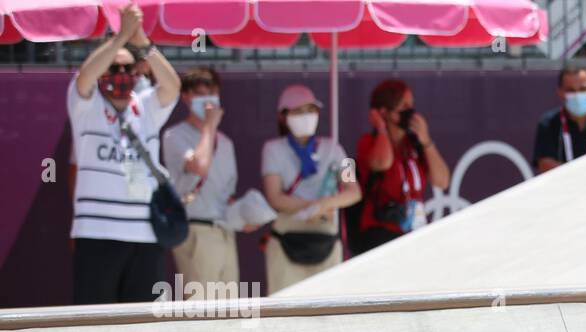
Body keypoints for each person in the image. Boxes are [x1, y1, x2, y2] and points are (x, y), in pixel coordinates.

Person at [67, 3, 180, 304]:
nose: (120, 74)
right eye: (112, 67)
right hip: (97, 234)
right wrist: (119, 39)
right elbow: (85, 77)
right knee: (94, 323)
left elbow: (172, 86)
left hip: (145, 236)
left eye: (126, 68)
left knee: (142, 326)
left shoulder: (146, 106)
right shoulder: (86, 106)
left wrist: (141, 40)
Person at [261, 84, 361, 294]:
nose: (306, 116)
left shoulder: (336, 148)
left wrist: (325, 205)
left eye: (310, 110)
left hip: (326, 240)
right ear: (284, 116)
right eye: (298, 111)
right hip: (286, 240)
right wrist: (309, 208)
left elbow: (354, 191)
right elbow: (275, 197)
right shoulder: (272, 149)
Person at [163, 68, 249, 293]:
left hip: (224, 231)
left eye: (212, 93)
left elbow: (227, 194)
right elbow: (200, 166)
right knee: (200, 308)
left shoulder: (227, 143)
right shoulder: (175, 135)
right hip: (195, 230)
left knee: (230, 309)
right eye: (200, 94)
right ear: (186, 97)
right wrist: (210, 126)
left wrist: (245, 216)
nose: (208, 101)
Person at [352, 79, 450, 256]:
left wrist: (426, 141)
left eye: (411, 105)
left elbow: (442, 181)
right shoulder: (368, 142)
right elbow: (382, 162)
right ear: (384, 112)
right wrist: (381, 128)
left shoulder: (414, 145)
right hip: (381, 235)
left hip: (415, 233)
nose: (410, 112)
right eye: (404, 106)